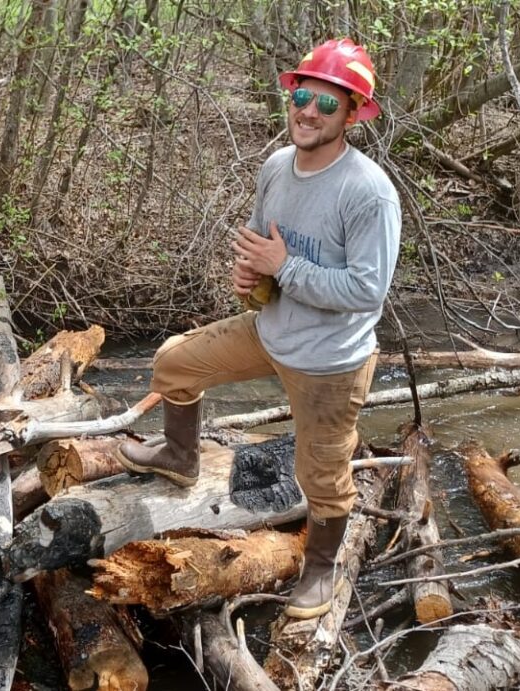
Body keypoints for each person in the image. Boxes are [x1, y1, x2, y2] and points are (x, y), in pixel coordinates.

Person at [117, 38, 401, 620]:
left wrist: (284, 267)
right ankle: (179, 453)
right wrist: (250, 275)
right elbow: (260, 251)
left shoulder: (368, 193)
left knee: (320, 474)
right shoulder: (276, 167)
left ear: (353, 115)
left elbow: (366, 293)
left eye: (327, 104)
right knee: (174, 360)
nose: (309, 111)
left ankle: (321, 568)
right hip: (270, 328)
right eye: (302, 95)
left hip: (330, 362)